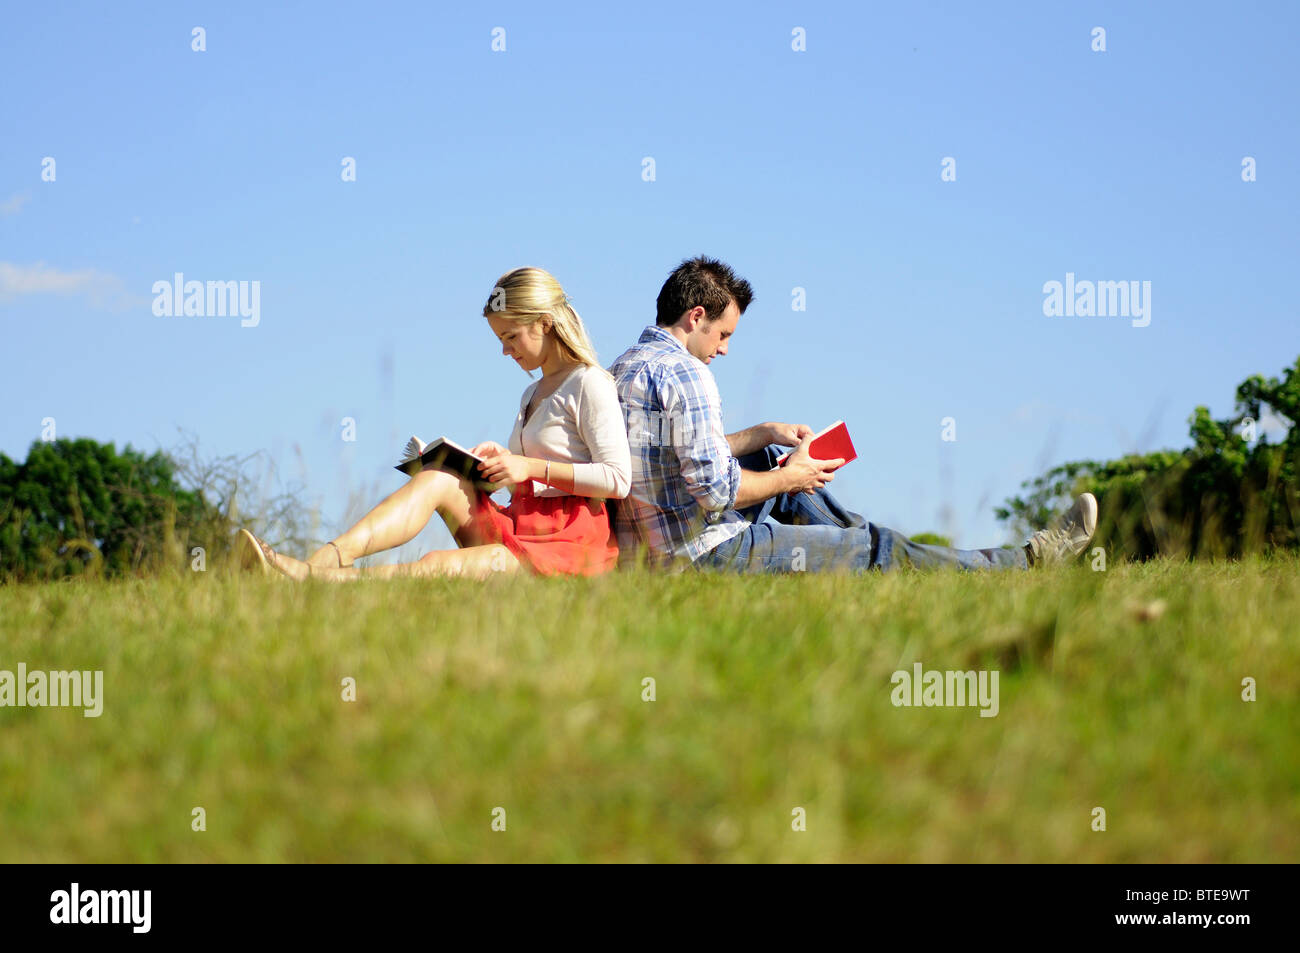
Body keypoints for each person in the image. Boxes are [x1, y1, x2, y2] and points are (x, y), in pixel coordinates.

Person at [608, 255, 1097, 573]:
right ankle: (1024, 565)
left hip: (651, 551)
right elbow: (718, 492)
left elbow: (667, 455)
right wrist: (791, 479)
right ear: (697, 316)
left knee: (770, 456)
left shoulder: (623, 368)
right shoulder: (689, 376)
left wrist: (762, 434)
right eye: (724, 335)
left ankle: (866, 544)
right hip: (702, 556)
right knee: (866, 546)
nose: (725, 350)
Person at [238, 266, 632, 581]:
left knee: (439, 561)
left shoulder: (590, 383)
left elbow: (618, 479)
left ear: (545, 323)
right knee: (439, 475)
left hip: (569, 544)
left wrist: (530, 466)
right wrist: (503, 464)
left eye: (510, 336)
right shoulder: (531, 394)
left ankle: (318, 583)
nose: (504, 350)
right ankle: (327, 558)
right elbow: (534, 478)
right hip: (522, 524)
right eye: (500, 338)